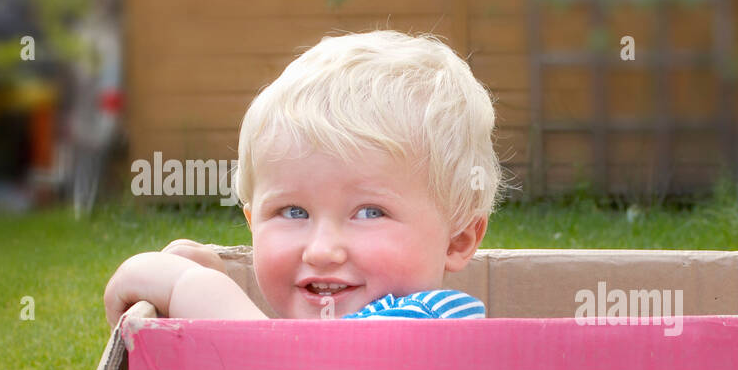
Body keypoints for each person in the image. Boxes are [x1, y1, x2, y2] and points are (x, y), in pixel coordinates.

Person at [103, 30, 507, 327]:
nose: (322, 251)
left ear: (457, 240)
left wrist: (188, 288)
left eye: (369, 212)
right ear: (251, 224)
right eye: (292, 211)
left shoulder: (425, 322)